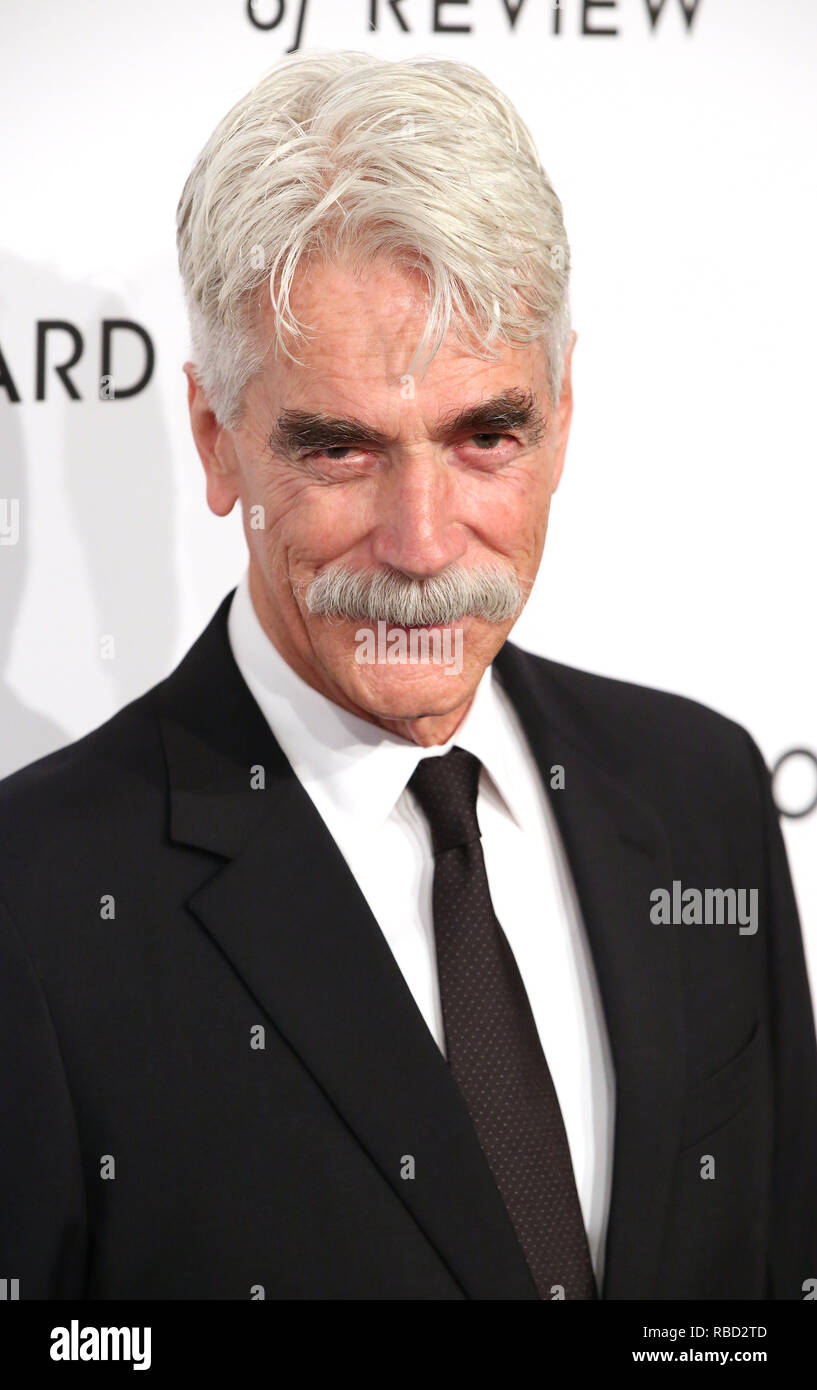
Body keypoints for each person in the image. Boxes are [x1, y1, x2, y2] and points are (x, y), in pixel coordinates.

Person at [1, 51, 815, 1301]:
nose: (423, 544)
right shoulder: (37, 900)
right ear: (216, 440)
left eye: (486, 435)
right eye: (340, 450)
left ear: (562, 411)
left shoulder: (699, 793)